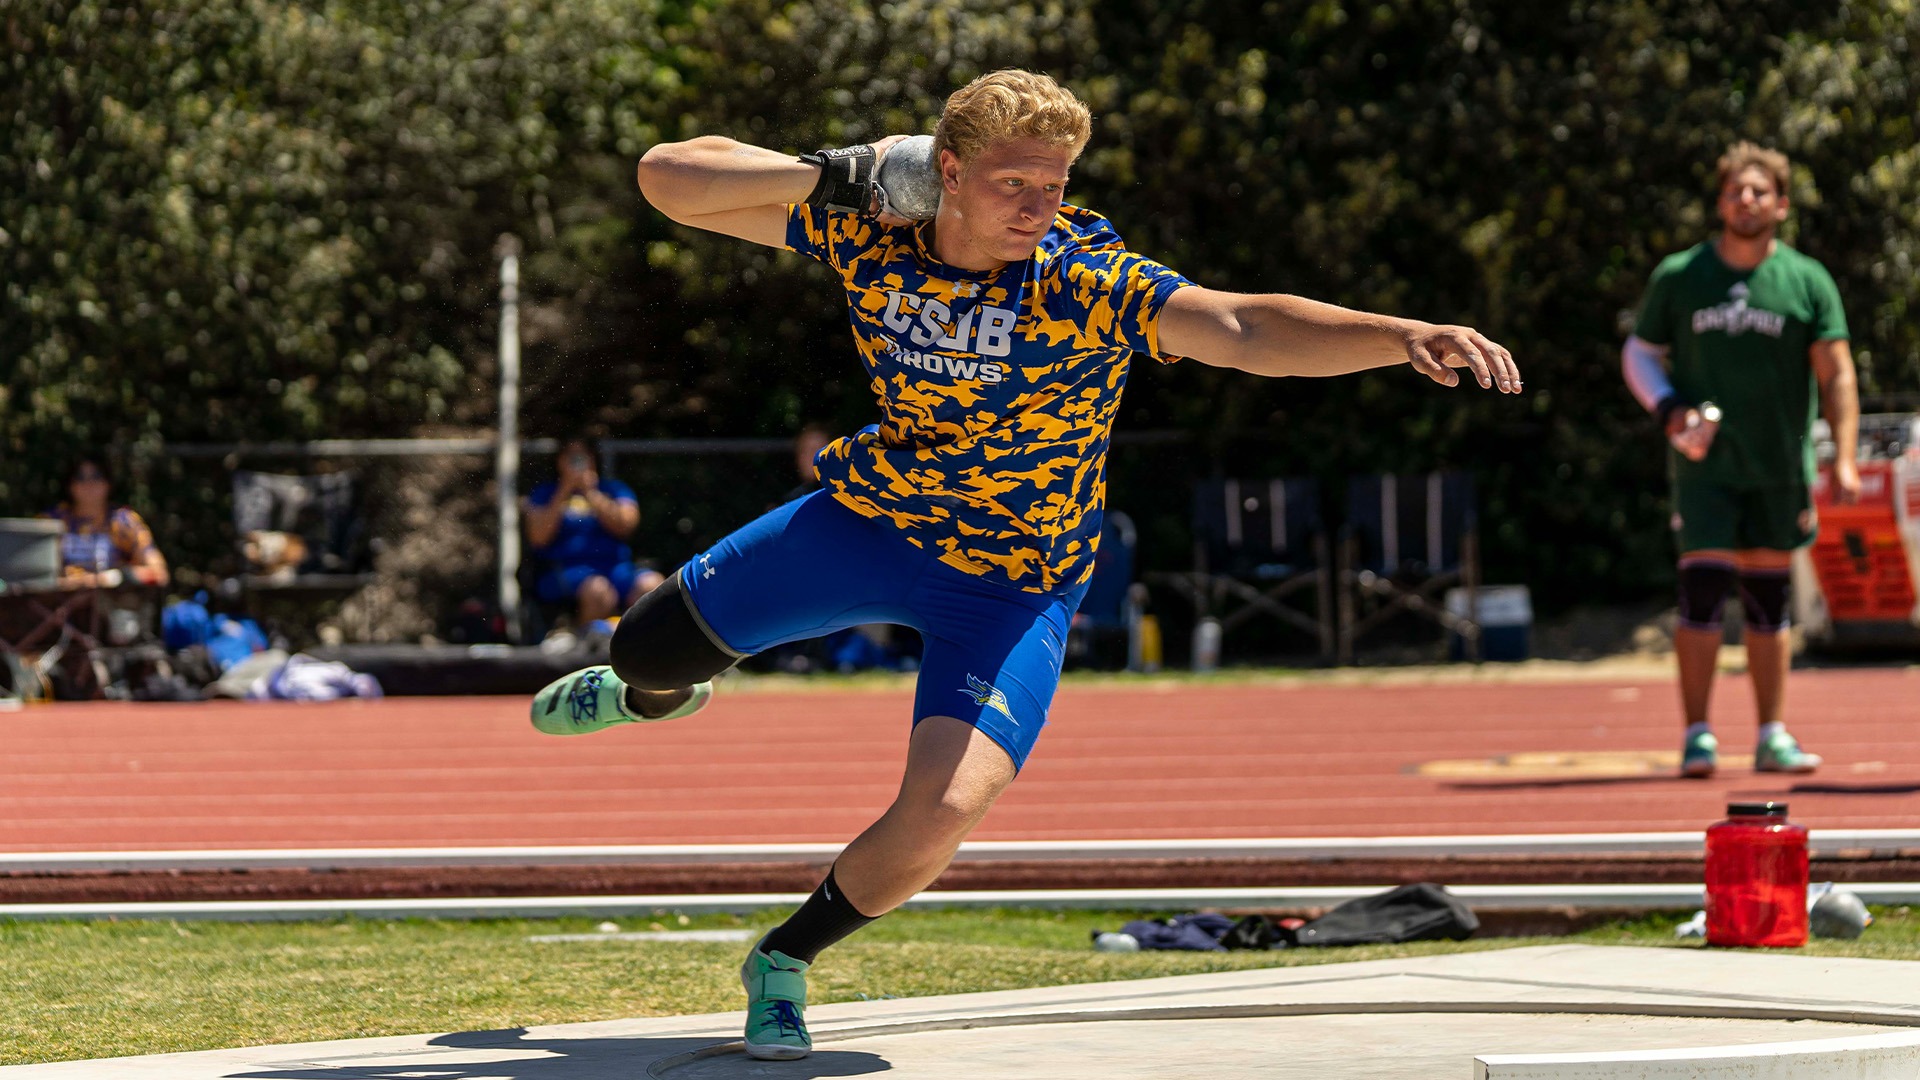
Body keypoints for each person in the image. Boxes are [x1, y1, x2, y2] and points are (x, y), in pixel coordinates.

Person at [531, 69, 1519, 1060]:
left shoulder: (1084, 278)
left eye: (1056, 185)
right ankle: (657, 696)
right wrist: (843, 172)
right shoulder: (868, 227)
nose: (1040, 207)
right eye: (1016, 185)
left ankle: (785, 960)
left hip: (1013, 582)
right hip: (872, 521)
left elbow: (1241, 326)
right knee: (645, 651)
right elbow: (669, 178)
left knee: (946, 809)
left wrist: (1399, 337)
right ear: (946, 171)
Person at [1621, 141, 1859, 778]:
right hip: (1705, 468)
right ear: (1721, 200)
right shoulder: (1680, 275)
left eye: (1758, 192)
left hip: (1779, 465)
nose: (1745, 200)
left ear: (1780, 205)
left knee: (1767, 599)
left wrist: (1842, 457)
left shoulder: (1807, 281)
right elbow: (1639, 354)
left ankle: (1770, 734)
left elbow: (1836, 373)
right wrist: (1670, 410)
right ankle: (1697, 734)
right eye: (1734, 191)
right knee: (1699, 593)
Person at [522, 438, 663, 633]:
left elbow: (627, 525)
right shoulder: (544, 493)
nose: (576, 461)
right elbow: (538, 537)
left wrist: (591, 493)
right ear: (559, 460)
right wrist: (564, 490)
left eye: (582, 455)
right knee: (598, 591)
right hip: (565, 571)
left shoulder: (613, 489)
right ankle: (585, 648)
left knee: (653, 586)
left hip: (616, 568)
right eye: (570, 456)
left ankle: (644, 648)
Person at [44, 457, 169, 588]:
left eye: (96, 476)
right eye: (80, 477)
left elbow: (159, 574)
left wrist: (115, 577)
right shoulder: (51, 521)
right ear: (70, 484)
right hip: (59, 600)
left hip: (111, 602)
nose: (89, 483)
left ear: (108, 483)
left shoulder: (123, 521)